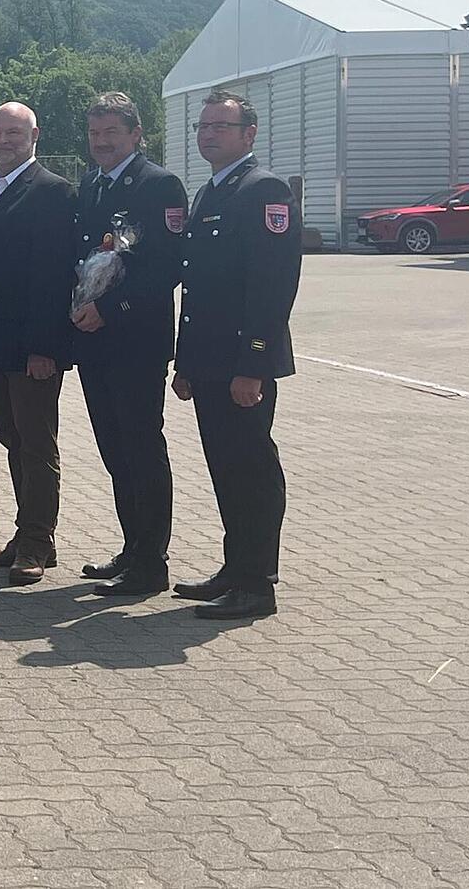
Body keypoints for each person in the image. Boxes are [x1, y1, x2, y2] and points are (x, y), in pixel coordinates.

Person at [171, 90, 303, 620]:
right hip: (209, 362)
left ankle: (257, 583)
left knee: (251, 471)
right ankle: (235, 568)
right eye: (202, 126)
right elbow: (197, 288)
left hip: (242, 365)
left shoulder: (263, 190)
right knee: (226, 468)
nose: (208, 135)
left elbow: (272, 287)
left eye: (220, 127)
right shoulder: (212, 191)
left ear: (249, 134)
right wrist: (186, 362)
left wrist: (253, 365)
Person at [70, 92, 188, 598]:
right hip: (93, 341)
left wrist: (110, 308)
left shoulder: (158, 185)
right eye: (94, 133)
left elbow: (166, 267)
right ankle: (132, 547)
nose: (101, 142)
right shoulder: (91, 184)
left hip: (135, 340)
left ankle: (151, 562)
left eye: (111, 133)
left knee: (141, 448)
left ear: (136, 134)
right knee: (115, 450)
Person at [0, 103, 77, 586]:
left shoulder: (52, 191)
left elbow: (53, 277)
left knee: (37, 446)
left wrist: (44, 348)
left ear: (34, 135)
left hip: (32, 351)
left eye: (14, 132)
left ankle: (37, 542)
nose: (4, 141)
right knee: (13, 441)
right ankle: (25, 531)